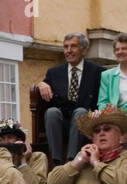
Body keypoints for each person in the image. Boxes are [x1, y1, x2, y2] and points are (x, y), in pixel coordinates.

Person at [36, 33, 103, 164]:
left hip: (86, 122)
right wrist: (41, 84)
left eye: (73, 46)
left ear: (84, 49)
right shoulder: (54, 72)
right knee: (51, 112)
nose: (68, 51)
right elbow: (45, 84)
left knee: (80, 112)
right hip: (62, 121)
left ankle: (72, 160)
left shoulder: (97, 71)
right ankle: (55, 161)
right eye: (66, 47)